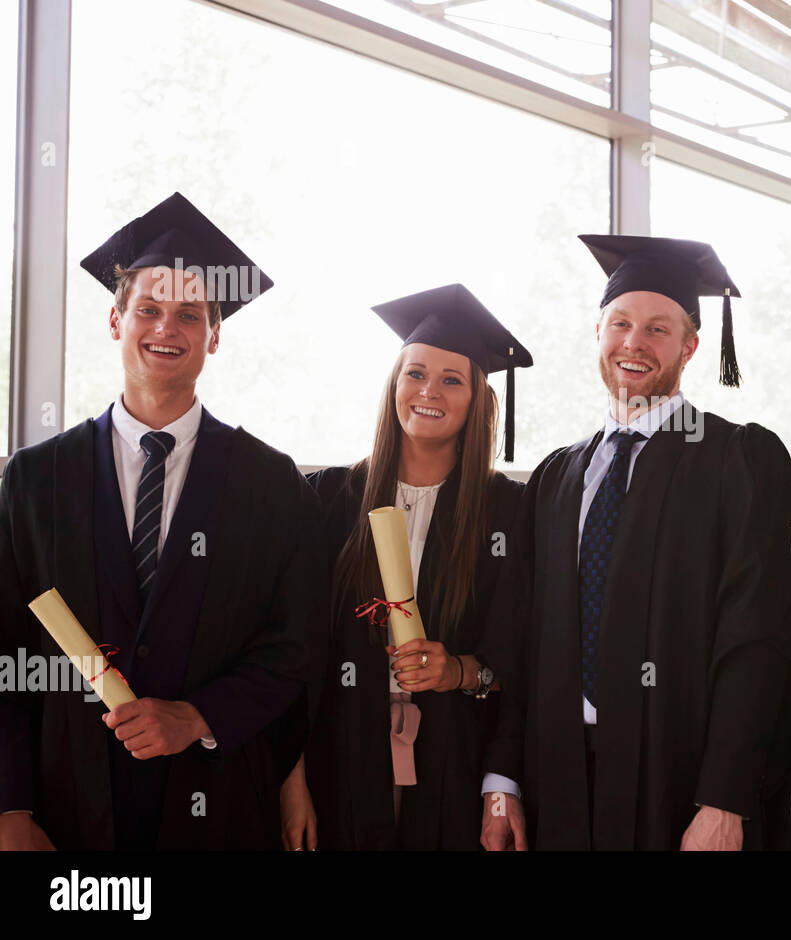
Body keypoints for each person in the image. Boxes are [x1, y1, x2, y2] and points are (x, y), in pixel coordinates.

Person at [0, 192, 326, 850]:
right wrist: (10, 808)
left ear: (213, 334)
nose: (165, 329)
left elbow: (295, 650)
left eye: (189, 314)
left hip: (217, 801)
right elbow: (5, 649)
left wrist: (197, 716)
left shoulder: (270, 483)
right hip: (69, 808)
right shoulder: (34, 480)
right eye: (148, 309)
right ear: (116, 320)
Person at [478, 235, 791, 851]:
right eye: (621, 323)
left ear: (690, 346)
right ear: (598, 331)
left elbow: (760, 639)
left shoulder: (739, 459)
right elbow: (520, 642)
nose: (634, 343)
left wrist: (725, 799)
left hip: (682, 784)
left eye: (659, 329)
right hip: (560, 781)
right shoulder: (556, 476)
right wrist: (503, 782)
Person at [279, 284, 529, 850]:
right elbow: (292, 655)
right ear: (394, 384)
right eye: (415, 373)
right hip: (338, 758)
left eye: (452, 379)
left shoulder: (510, 512)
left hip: (456, 762)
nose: (428, 391)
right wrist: (290, 783)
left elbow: (519, 660)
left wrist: (459, 671)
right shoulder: (327, 500)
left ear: (478, 400)